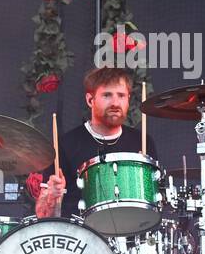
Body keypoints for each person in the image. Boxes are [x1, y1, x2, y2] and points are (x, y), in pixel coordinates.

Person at [34, 67, 159, 219]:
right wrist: (52, 197)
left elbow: (155, 205)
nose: (115, 102)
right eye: (107, 95)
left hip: (132, 236)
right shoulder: (65, 145)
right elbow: (43, 216)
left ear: (128, 99)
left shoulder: (143, 142)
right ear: (90, 100)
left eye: (121, 96)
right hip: (81, 237)